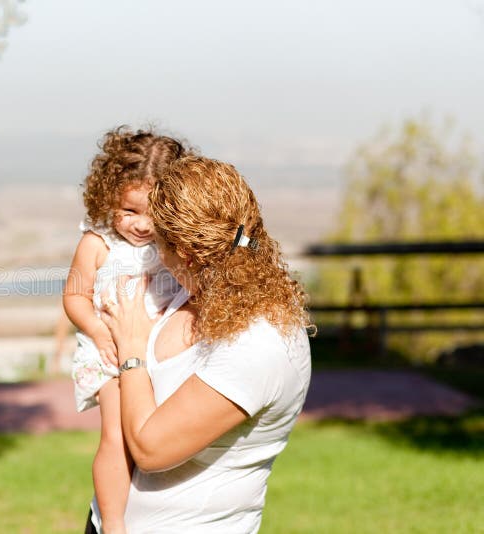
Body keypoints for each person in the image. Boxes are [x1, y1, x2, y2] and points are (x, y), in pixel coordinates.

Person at [95, 156, 313, 533]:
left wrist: (131, 351)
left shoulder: (261, 342)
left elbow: (151, 449)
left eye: (159, 243)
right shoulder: (187, 290)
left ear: (186, 254)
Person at [63, 127, 187, 534]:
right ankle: (112, 522)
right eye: (128, 211)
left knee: (157, 434)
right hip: (112, 355)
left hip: (159, 353)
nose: (142, 224)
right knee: (118, 435)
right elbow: (75, 298)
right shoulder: (98, 244)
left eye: (153, 211)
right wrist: (100, 334)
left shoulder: (175, 245)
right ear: (107, 198)